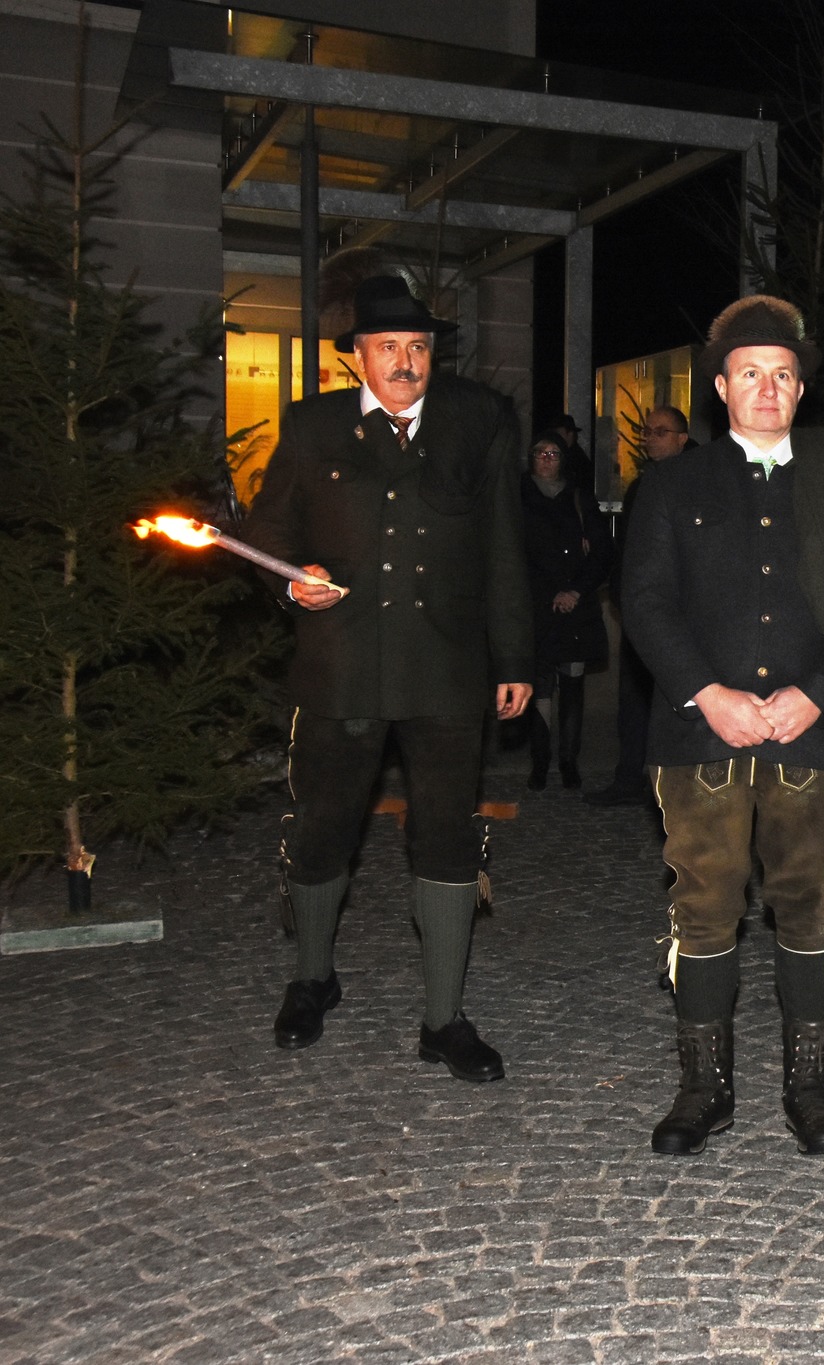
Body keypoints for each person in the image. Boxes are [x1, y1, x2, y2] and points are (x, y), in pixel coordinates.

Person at [242, 274, 532, 1082]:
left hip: (446, 670)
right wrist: (290, 579)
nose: (405, 363)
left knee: (445, 836)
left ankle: (444, 1019)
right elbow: (268, 530)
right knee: (322, 826)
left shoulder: (479, 421)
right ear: (356, 357)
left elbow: (506, 544)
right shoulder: (312, 427)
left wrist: (514, 658)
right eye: (388, 348)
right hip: (341, 665)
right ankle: (311, 978)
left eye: (417, 348)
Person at [623, 295, 824, 1158]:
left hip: (816, 734)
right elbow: (645, 603)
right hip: (701, 737)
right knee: (703, 907)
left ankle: (810, 1088)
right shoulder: (671, 483)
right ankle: (704, 1089)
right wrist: (709, 692)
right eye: (750, 374)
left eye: (782, 375)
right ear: (721, 387)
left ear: (800, 389)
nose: (768, 388)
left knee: (810, 906)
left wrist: (819, 693)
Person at [586, 405, 691, 807]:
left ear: (682, 438)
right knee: (632, 699)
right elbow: (629, 550)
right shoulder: (641, 486)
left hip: (681, 613)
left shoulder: (696, 482)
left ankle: (675, 785)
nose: (650, 438)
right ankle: (629, 778)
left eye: (660, 432)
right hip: (640, 610)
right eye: (648, 432)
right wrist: (619, 590)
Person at [521, 430, 613, 790]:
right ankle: (540, 761)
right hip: (536, 607)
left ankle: (569, 760)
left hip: (575, 607)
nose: (547, 458)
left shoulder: (578, 498)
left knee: (572, 686)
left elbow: (603, 551)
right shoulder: (518, 496)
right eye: (540, 451)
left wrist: (575, 590)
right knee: (539, 688)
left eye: (553, 453)